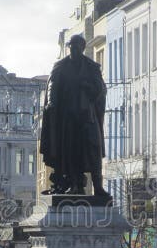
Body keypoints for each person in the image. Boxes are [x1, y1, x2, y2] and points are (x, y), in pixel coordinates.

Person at [40, 34, 108, 195]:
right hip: (68, 117)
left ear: (83, 48)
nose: (74, 49)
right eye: (71, 46)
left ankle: (98, 187)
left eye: (77, 47)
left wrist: (88, 87)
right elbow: (52, 86)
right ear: (69, 47)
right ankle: (75, 184)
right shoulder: (61, 66)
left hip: (87, 116)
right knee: (70, 150)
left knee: (94, 149)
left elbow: (101, 89)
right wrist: (51, 102)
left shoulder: (91, 67)